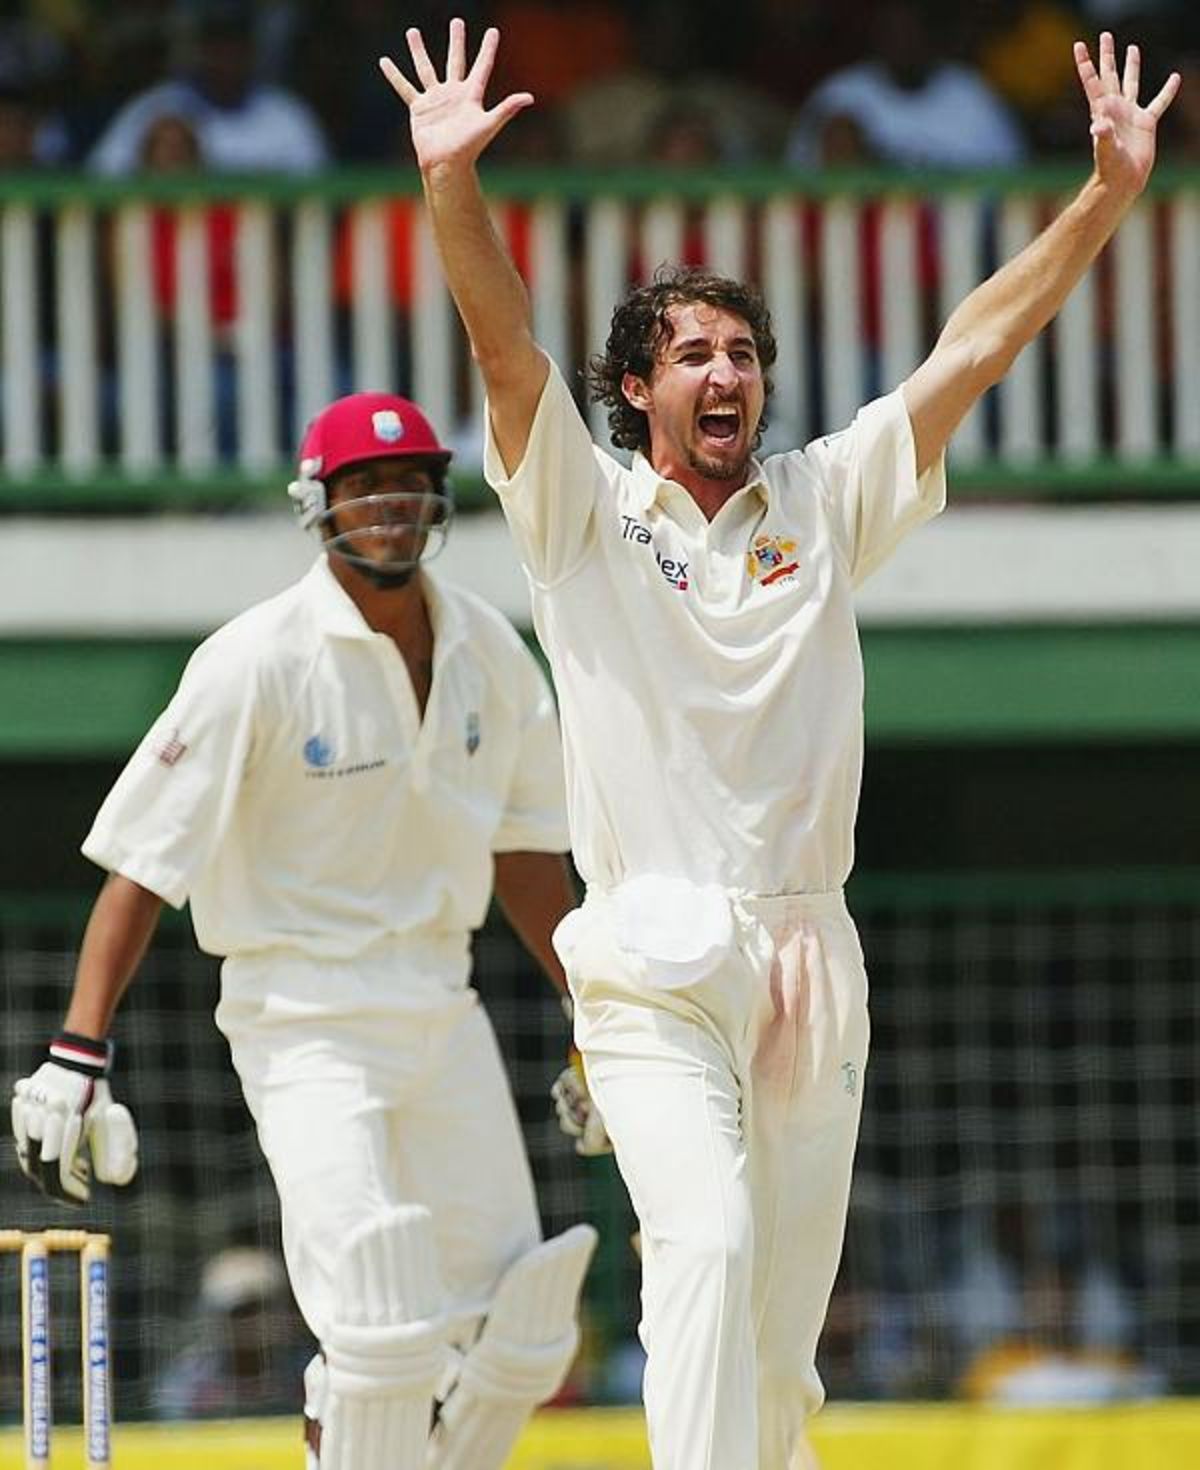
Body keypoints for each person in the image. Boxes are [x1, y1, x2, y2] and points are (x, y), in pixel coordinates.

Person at [380, 17, 1181, 1469]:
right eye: (693, 353)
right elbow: (506, 349)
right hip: (646, 956)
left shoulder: (823, 498)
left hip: (814, 950)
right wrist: (451, 184)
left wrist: (1107, 194)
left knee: (776, 1349)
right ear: (640, 389)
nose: (725, 371)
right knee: (707, 1237)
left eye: (744, 351)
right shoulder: (585, 512)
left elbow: (978, 341)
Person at [10, 388, 597, 1470]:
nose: (388, 506)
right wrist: (75, 1051)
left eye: (408, 484)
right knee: (379, 1334)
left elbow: (524, 855)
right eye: (363, 487)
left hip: (439, 1000)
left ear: (437, 500)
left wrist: (594, 1018)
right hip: (303, 1016)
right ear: (319, 506)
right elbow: (145, 863)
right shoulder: (256, 660)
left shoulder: (491, 653)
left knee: (526, 1329)